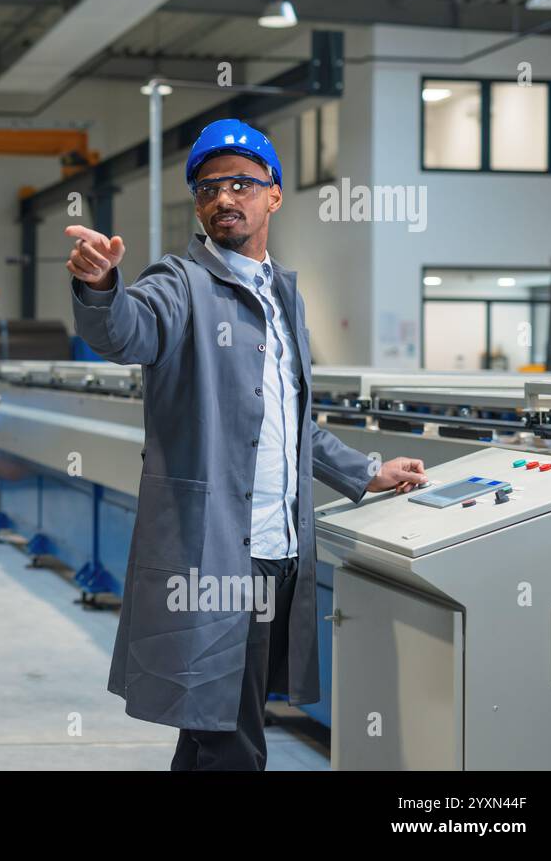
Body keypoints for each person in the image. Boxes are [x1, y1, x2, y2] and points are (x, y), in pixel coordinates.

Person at [64, 118, 427, 771]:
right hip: (215, 560)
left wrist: (368, 471)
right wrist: (99, 287)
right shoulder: (179, 283)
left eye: (240, 183)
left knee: (216, 728)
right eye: (207, 188)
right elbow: (126, 332)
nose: (223, 198)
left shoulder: (283, 295)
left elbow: (293, 421)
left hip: (279, 552)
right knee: (235, 744)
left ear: (274, 194)